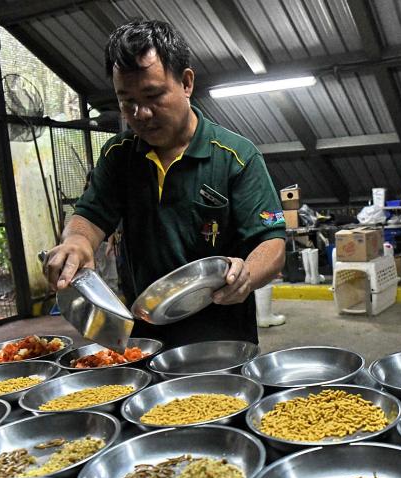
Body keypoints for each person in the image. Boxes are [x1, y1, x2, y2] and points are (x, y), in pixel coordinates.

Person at [43, 19, 286, 347]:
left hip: (223, 338)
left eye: (153, 95)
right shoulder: (119, 155)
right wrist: (77, 242)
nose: (140, 113)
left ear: (186, 83)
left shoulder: (236, 156)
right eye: (127, 101)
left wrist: (247, 275)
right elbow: (90, 215)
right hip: (144, 338)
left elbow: (272, 244)